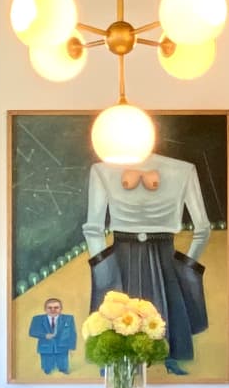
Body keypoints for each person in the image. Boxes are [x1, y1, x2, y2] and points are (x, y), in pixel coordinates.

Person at [82, 153, 210, 375]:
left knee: (123, 311)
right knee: (129, 313)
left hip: (127, 257)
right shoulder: (184, 169)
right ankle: (166, 358)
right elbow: (203, 230)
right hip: (161, 258)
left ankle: (122, 365)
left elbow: (94, 229)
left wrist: (105, 271)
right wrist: (186, 266)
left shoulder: (102, 171)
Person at [28, 296, 77, 375]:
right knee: (47, 367)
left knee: (63, 364)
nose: (53, 310)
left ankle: (63, 369)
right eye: (50, 308)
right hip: (45, 347)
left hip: (62, 346)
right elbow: (32, 332)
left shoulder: (68, 319)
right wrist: (45, 335)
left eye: (56, 307)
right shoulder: (37, 319)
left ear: (61, 308)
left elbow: (72, 333)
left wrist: (71, 347)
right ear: (45, 309)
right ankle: (47, 370)